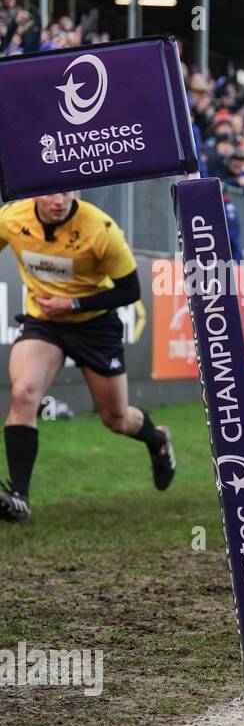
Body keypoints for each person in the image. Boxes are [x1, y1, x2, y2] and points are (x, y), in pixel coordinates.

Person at [0, 192, 175, 521]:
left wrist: (73, 304)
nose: (59, 200)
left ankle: (159, 440)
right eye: (50, 192)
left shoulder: (101, 228)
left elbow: (130, 291)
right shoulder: (11, 218)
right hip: (45, 323)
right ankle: (19, 497)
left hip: (94, 326)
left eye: (67, 191)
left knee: (115, 418)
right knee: (24, 393)